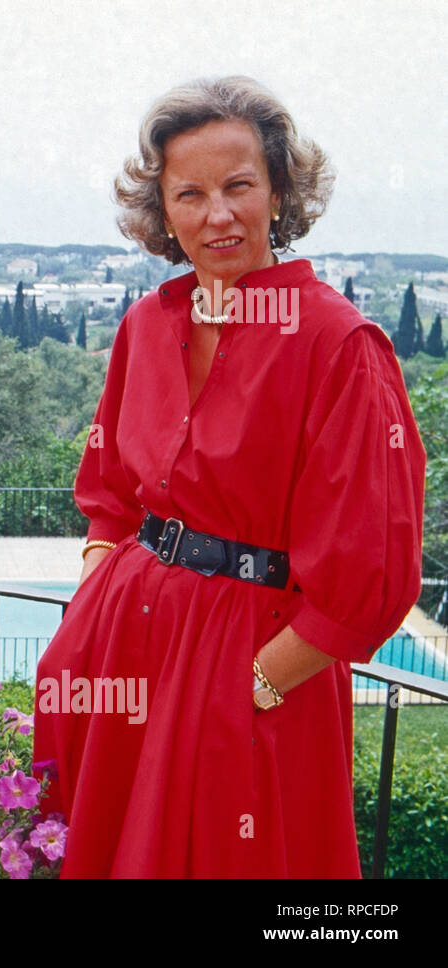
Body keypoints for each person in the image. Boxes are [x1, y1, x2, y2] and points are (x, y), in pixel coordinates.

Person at [32, 76, 425, 877]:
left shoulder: (339, 346)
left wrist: (255, 682)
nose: (218, 215)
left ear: (279, 191)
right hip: (121, 648)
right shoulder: (146, 325)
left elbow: (372, 571)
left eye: (240, 185)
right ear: (164, 214)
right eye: (191, 194)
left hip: (253, 664)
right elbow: (109, 493)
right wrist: (90, 615)